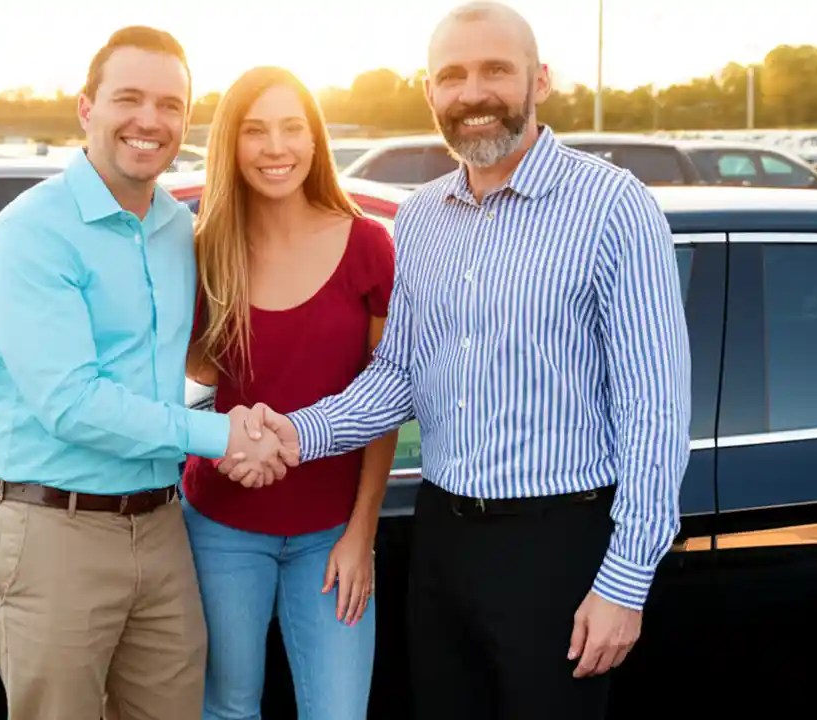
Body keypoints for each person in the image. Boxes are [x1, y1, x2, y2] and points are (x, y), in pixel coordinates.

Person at [222, 2, 692, 718]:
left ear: (540, 79)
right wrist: (295, 432)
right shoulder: (420, 217)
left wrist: (624, 584)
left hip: (560, 546)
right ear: (430, 92)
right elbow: (396, 376)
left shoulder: (612, 208)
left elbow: (654, 409)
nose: (473, 93)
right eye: (453, 75)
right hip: (443, 542)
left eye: (495, 71)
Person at [0, 26, 292, 720]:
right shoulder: (34, 230)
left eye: (170, 105)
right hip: (55, 529)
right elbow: (73, 403)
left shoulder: (179, 230)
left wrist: (272, 423)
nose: (151, 121)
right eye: (130, 98)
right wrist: (225, 438)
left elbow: (214, 355)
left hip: (162, 528)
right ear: (87, 107)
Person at [181, 66, 398, 720]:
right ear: (231, 145)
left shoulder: (367, 245)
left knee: (336, 711)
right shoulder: (206, 248)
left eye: (291, 128)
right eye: (255, 131)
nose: (276, 147)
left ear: (314, 140)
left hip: (331, 534)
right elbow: (200, 375)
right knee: (228, 709)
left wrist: (362, 533)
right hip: (220, 526)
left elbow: (383, 401)